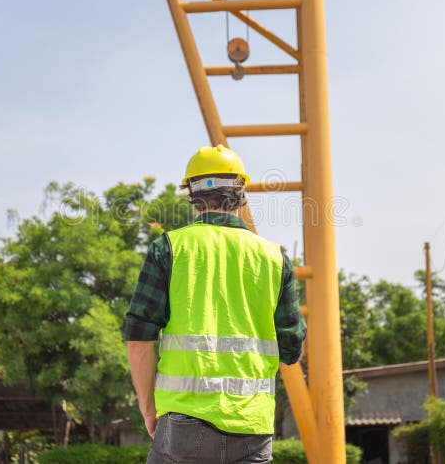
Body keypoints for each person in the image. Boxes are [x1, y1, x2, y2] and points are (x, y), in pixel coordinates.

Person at [123, 144, 307, 464]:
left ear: (191, 196)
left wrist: (148, 408)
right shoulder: (274, 259)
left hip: (182, 420)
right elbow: (291, 349)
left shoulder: (169, 248)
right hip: (251, 424)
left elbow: (139, 338)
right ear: (241, 192)